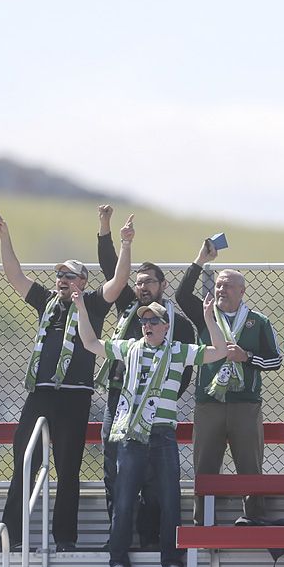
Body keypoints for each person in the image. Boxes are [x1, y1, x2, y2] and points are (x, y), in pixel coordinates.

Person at [0, 208, 133, 552]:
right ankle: (12, 537)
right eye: (60, 275)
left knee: (68, 470)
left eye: (69, 276)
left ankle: (65, 539)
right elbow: (15, 276)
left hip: (75, 396)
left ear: (83, 282)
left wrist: (125, 245)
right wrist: (4, 237)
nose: (62, 281)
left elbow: (118, 282)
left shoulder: (93, 304)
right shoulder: (47, 302)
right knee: (24, 463)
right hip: (40, 393)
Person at [73, 290, 228, 567]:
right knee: (124, 497)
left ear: (166, 326)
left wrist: (209, 318)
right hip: (132, 435)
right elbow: (90, 342)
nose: (148, 326)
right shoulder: (129, 347)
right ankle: (118, 559)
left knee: (170, 499)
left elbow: (219, 351)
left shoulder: (179, 351)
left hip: (162, 436)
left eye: (155, 321)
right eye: (145, 321)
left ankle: (171, 560)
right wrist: (82, 308)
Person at [96, 205, 196, 548]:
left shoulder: (179, 324)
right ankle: (117, 538)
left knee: (155, 475)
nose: (141, 288)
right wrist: (107, 229)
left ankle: (152, 537)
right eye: (138, 283)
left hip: (157, 406)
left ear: (163, 285)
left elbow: (186, 370)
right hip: (119, 401)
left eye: (148, 282)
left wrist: (163, 394)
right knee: (115, 469)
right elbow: (111, 268)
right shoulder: (128, 308)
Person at [176, 239, 282, 526]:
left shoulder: (257, 321)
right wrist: (200, 260)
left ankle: (254, 520)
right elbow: (182, 294)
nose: (221, 289)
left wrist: (247, 357)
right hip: (209, 404)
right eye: (219, 284)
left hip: (245, 405)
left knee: (250, 466)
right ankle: (204, 523)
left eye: (227, 285)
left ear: (242, 291)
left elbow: (275, 361)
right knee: (205, 468)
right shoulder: (206, 315)